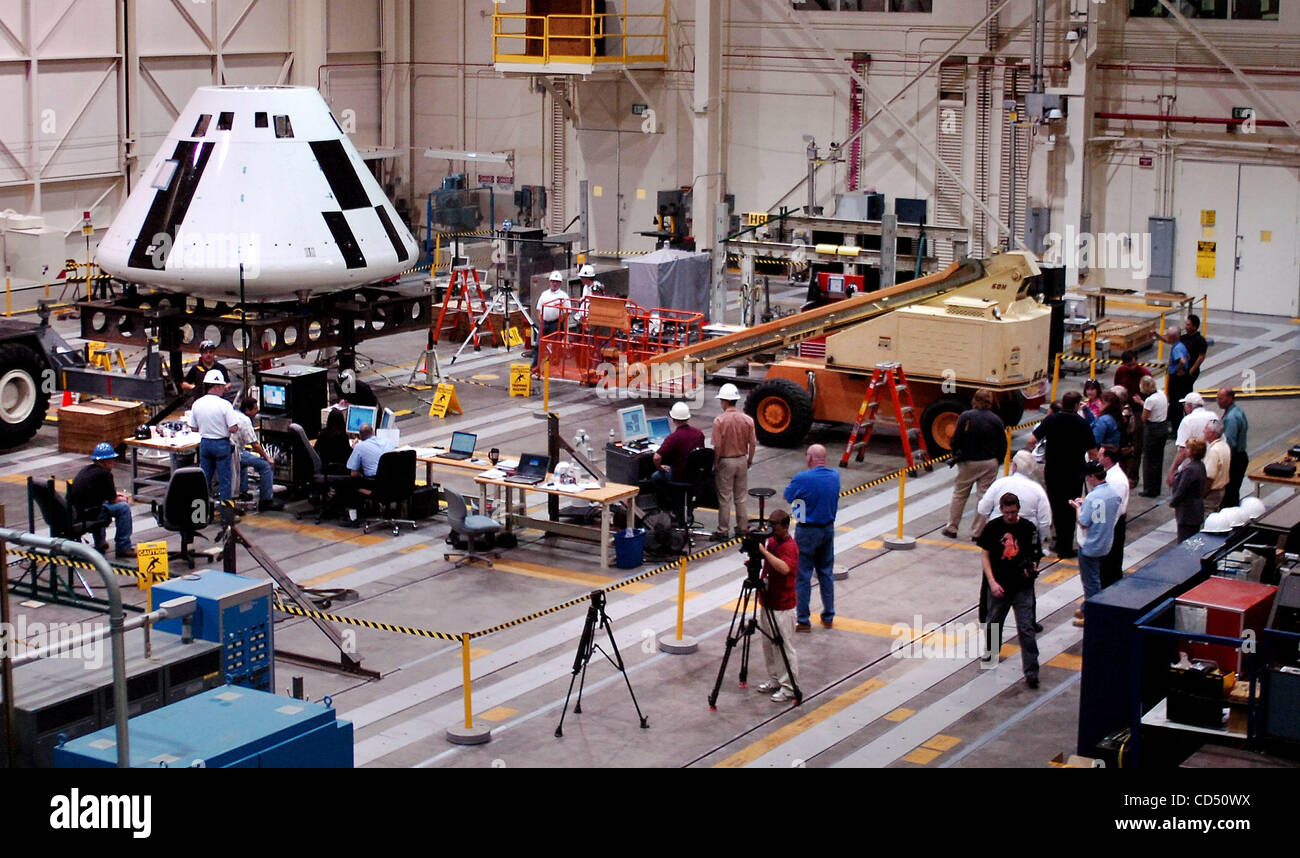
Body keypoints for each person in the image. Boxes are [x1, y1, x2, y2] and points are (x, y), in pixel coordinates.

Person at [976, 493, 1043, 689]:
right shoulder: (993, 528)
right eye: (1007, 513)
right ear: (1001, 509)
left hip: (1022, 587)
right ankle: (991, 655)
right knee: (993, 624)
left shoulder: (1028, 528)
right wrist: (992, 582)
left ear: (1018, 509)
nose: (1011, 516)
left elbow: (1036, 553)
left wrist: (1033, 567)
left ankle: (1031, 671)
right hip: (999, 586)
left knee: (1026, 630)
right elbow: (985, 555)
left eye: (1013, 512)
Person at [1026, 391, 1097, 558]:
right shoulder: (1082, 423)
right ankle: (1065, 546)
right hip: (1073, 472)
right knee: (1071, 508)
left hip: (1053, 471)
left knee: (1055, 507)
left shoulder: (1051, 419)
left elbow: (1031, 441)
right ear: (1075, 405)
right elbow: (1093, 451)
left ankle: (1056, 542)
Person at [784, 444, 840, 632]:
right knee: (826, 573)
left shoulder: (803, 478)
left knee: (803, 575)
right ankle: (828, 616)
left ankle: (803, 620)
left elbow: (788, 495)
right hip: (827, 530)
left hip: (807, 532)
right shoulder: (835, 476)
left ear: (809, 458)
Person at [942, 389, 1006, 539]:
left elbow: (956, 439)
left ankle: (952, 528)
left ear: (975, 400)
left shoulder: (966, 417)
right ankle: (978, 532)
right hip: (989, 462)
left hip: (968, 462)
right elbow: (1003, 444)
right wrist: (997, 461)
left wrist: (956, 453)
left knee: (960, 494)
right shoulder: (996, 420)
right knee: (984, 497)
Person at [755, 509, 799, 703]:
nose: (772, 528)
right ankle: (775, 679)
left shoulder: (790, 547)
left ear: (785, 526)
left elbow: (784, 568)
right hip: (767, 601)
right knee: (768, 644)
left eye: (775, 525)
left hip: (783, 606)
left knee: (784, 647)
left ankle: (789, 687)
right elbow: (767, 566)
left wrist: (764, 552)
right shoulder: (771, 541)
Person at [1070, 459, 1121, 626]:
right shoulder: (1114, 494)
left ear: (1092, 477)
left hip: (1089, 545)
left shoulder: (1092, 497)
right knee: (1097, 577)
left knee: (1091, 583)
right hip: (1105, 543)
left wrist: (1078, 508)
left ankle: (1093, 616)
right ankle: (1087, 608)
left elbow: (1083, 522)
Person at [69, 442, 134, 559]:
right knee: (123, 508)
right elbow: (113, 500)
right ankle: (123, 547)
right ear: (106, 461)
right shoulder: (105, 474)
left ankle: (100, 544)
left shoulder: (87, 470)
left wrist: (114, 496)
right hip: (90, 513)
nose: (113, 463)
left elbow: (101, 494)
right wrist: (122, 499)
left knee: (101, 504)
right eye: (112, 460)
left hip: (78, 511)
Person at [973, 451, 1052, 546]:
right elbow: (1045, 521)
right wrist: (1039, 540)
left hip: (997, 534)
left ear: (1014, 466)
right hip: (1026, 538)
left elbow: (982, 509)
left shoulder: (999, 484)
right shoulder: (1037, 490)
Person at [710, 383, 756, 540]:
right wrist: (749, 460)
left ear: (724, 401)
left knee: (725, 497)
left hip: (726, 461)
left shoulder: (719, 421)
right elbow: (753, 443)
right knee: (741, 497)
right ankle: (742, 527)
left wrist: (715, 463)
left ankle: (723, 530)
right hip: (742, 459)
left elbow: (717, 446)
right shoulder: (747, 420)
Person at [187, 369, 240, 501]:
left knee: (203, 481)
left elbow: (193, 427)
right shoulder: (225, 405)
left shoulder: (197, 404)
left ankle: (199, 516)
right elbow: (233, 428)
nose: (224, 389)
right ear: (216, 386)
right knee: (225, 482)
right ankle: (226, 517)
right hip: (221, 444)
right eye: (222, 386)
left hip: (205, 444)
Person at [234, 397, 283, 512]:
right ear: (247, 410)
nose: (257, 411)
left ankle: (242, 492)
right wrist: (267, 457)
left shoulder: (234, 413)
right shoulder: (244, 420)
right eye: (255, 409)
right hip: (236, 453)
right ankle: (266, 501)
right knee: (265, 466)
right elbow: (255, 444)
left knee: (244, 459)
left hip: (231, 451)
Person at [341, 423, 395, 525]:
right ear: (373, 432)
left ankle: (353, 518)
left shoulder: (360, 447)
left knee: (349, 481)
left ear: (360, 436)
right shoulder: (388, 442)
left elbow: (353, 474)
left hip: (376, 485)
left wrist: (354, 449)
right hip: (394, 483)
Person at [1097, 445, 1130, 590]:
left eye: (1100, 456)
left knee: (1111, 563)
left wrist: (1105, 530)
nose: (1098, 458)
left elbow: (1114, 508)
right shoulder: (1109, 474)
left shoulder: (1116, 480)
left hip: (1113, 524)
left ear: (1107, 459)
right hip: (1111, 523)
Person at [1167, 391, 1214, 488]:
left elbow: (1182, 450)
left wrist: (1172, 470)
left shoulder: (1187, 421)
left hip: (1190, 468)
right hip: (1209, 464)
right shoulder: (1212, 415)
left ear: (1189, 406)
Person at [652, 401, 705, 482]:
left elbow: (656, 457)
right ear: (688, 418)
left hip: (679, 476)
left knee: (655, 476)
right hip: (696, 475)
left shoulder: (673, 437)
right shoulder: (699, 434)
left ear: (673, 419)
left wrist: (660, 467)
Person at [1170, 438, 1208, 542]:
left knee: (1184, 540)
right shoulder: (1201, 465)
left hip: (1187, 511)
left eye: (1188, 448)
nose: (1185, 450)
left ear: (1193, 451)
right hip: (1196, 510)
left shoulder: (1189, 470)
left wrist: (1173, 502)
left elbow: (1182, 490)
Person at [1218, 386, 1250, 508]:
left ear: (1230, 398)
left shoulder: (1231, 418)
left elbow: (1230, 444)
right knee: (1234, 490)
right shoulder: (1238, 411)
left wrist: (1224, 464)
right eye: (1218, 398)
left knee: (1229, 492)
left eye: (1221, 398)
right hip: (1241, 456)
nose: (1218, 401)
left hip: (1234, 459)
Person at [1138, 375, 1168, 498]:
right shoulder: (1161, 394)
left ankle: (1149, 489)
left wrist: (1143, 406)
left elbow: (1144, 417)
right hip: (1163, 427)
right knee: (1158, 459)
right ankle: (1156, 487)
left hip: (1153, 430)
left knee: (1149, 460)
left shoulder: (1150, 400)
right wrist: (1141, 403)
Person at [533, 270, 568, 371]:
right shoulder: (544, 294)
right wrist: (542, 320)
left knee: (555, 348)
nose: (554, 283)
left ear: (560, 283)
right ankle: (535, 366)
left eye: (557, 282)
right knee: (538, 346)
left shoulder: (563, 296)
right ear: (549, 282)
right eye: (553, 281)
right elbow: (539, 309)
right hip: (545, 324)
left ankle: (554, 368)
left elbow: (567, 312)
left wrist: (560, 321)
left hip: (556, 324)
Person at [1164, 328, 1192, 434]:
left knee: (1175, 404)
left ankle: (1176, 430)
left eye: (1168, 336)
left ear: (1172, 337)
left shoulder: (1177, 348)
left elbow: (1183, 360)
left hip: (1176, 379)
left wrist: (1177, 369)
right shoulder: (1181, 345)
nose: (1166, 337)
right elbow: (1188, 357)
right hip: (1182, 379)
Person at [1202, 418, 1231, 514]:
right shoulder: (1224, 446)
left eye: (1206, 429)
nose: (1203, 431)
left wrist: (1202, 494)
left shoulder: (1214, 451)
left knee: (1207, 520)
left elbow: (1209, 477)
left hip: (1211, 493)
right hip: (1221, 490)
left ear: (1212, 433)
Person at [314, 407, 352, 474]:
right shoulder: (343, 437)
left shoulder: (322, 434)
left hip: (325, 469)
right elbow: (348, 454)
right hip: (341, 470)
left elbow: (316, 450)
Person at [1182, 314, 1208, 387]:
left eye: (1188, 325)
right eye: (1186, 324)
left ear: (1195, 326)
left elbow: (1201, 358)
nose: (1186, 327)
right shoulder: (1184, 338)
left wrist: (1191, 372)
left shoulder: (1200, 341)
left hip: (1191, 370)